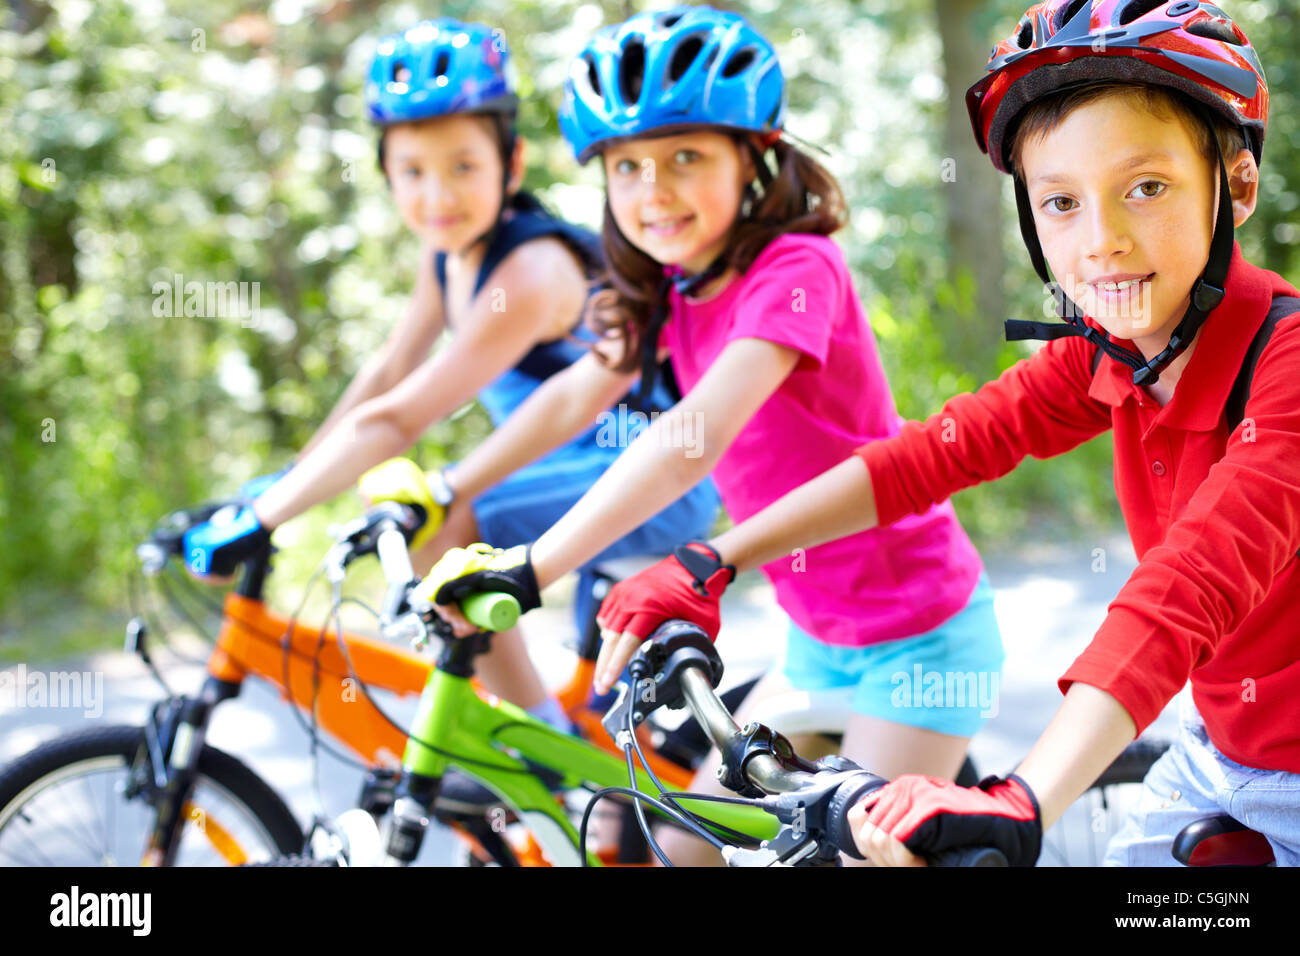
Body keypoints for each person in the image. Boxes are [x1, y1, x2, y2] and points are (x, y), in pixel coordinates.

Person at [581, 0, 1300, 867]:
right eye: (1062, 202)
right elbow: (925, 458)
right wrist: (714, 559)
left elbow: (1190, 586)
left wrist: (1024, 799)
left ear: (1238, 184)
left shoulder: (1285, 365)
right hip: (1217, 755)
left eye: (1145, 188)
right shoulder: (1107, 357)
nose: (1102, 241)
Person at [412, 5, 1004, 865]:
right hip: (820, 642)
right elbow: (576, 395)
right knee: (685, 848)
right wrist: (448, 490)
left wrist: (539, 564)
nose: (654, 189)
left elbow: (693, 435)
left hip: (921, 642)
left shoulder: (797, 270)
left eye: (686, 157)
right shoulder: (673, 292)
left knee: (863, 855)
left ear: (755, 155)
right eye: (628, 167)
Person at [179, 17, 719, 734]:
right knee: (614, 754)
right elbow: (389, 372)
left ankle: (532, 739)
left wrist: (270, 513)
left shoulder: (527, 272)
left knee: (448, 524)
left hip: (652, 485)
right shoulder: (450, 256)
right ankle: (549, 743)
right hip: (570, 480)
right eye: (412, 172)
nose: (438, 195)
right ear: (385, 174)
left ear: (513, 165)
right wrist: (285, 483)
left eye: (464, 167)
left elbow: (404, 416)